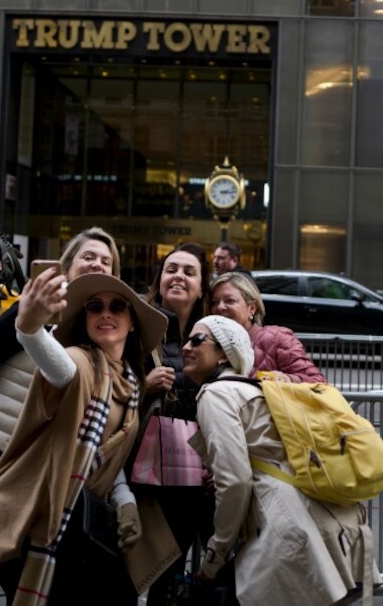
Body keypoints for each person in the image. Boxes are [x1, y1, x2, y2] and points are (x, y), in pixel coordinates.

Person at [0, 228, 120, 606]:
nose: (97, 264)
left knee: (22, 575)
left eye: (106, 261)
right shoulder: (31, 307)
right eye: (89, 256)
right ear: (67, 266)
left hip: (37, 467)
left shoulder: (103, 326)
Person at [0, 270, 168, 605]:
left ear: (133, 322)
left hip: (72, 526)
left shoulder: (130, 383)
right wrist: (30, 329)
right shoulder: (82, 362)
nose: (105, 313)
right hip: (33, 518)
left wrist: (124, 501)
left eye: (117, 306)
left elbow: (106, 452)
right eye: (95, 306)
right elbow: (60, 367)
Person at [184, 316, 380, 605]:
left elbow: (235, 481)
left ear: (225, 353)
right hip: (328, 523)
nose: (187, 346)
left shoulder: (216, 394)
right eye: (186, 339)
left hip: (286, 530)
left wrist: (216, 554)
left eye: (197, 339)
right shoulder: (253, 388)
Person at [138, 242, 215, 605]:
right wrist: (143, 387)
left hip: (198, 476)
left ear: (201, 286)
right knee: (156, 570)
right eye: (171, 269)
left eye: (189, 271)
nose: (179, 277)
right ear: (159, 279)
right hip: (149, 476)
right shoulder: (139, 327)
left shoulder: (215, 334)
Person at [210, 271, 326, 383]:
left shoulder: (277, 338)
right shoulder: (207, 345)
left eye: (230, 301)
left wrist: (286, 379)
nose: (219, 307)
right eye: (214, 302)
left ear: (252, 308)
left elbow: (318, 383)